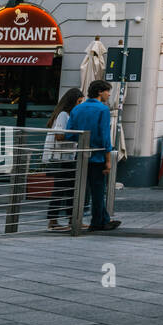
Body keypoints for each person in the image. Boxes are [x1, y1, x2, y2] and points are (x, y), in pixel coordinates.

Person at [67, 80, 119, 231]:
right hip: (97, 156)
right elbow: (105, 137)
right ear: (99, 92)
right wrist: (108, 160)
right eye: (107, 91)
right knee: (98, 189)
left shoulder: (77, 109)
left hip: (80, 154)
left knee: (81, 188)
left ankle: (101, 219)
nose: (109, 94)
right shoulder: (103, 110)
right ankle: (98, 221)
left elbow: (70, 134)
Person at [43, 87, 81, 232]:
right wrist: (77, 135)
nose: (80, 104)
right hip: (61, 158)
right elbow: (59, 136)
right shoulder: (64, 115)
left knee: (68, 189)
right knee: (61, 190)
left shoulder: (67, 114)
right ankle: (54, 221)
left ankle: (70, 219)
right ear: (72, 101)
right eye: (78, 101)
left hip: (66, 157)